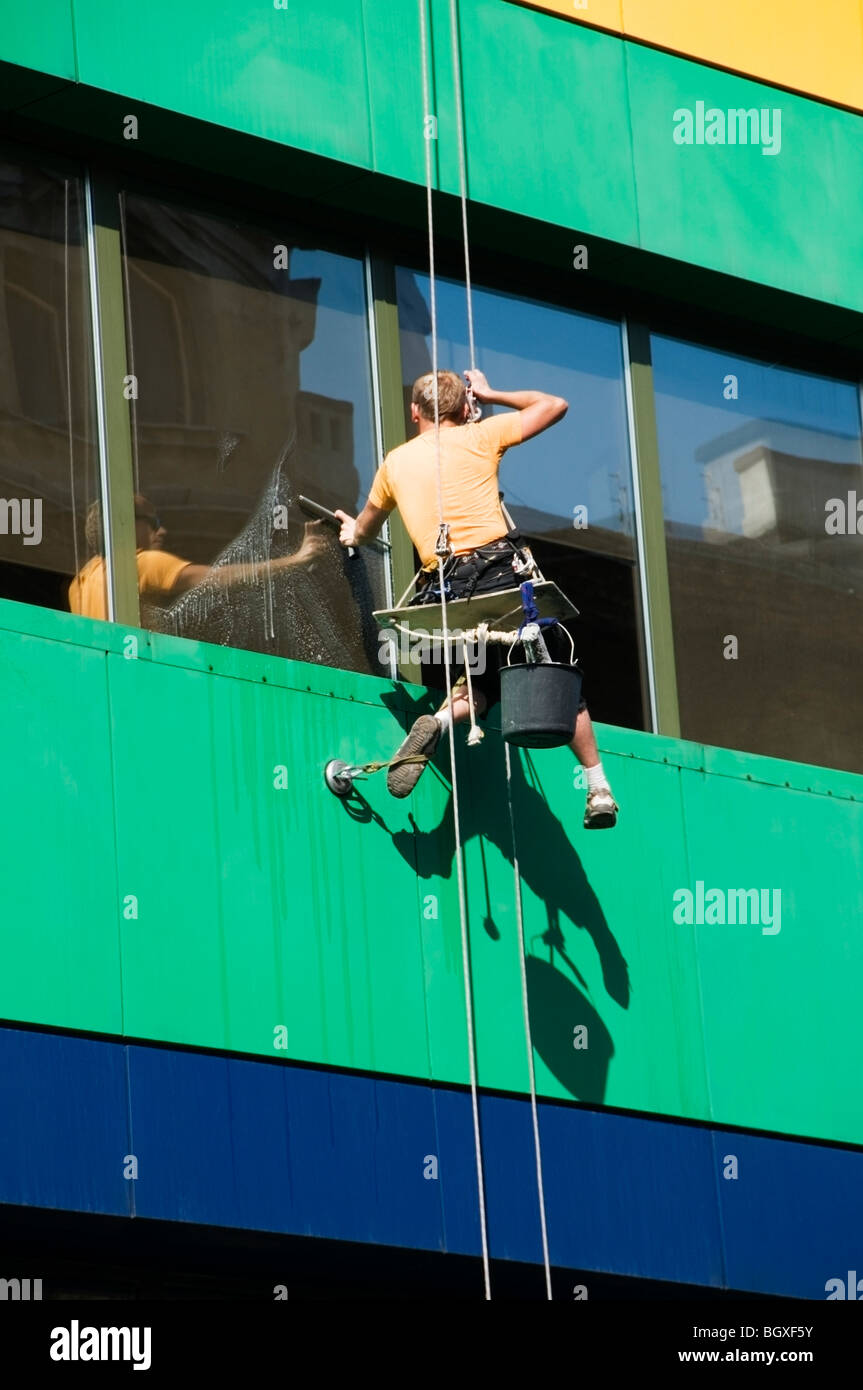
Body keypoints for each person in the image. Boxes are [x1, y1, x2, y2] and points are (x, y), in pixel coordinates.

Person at [335, 369, 619, 829]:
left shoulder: (395, 463)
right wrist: (492, 393)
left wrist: (351, 532)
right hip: (500, 581)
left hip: (445, 597)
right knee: (560, 685)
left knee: (480, 687)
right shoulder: (482, 436)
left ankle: (440, 724)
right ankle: (598, 787)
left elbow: (365, 526)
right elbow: (555, 404)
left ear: (414, 412)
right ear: (464, 409)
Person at [69, 495, 327, 620]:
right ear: (124, 524)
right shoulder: (139, 564)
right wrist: (296, 559)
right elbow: (217, 579)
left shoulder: (80, 582)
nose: (162, 530)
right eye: (153, 522)